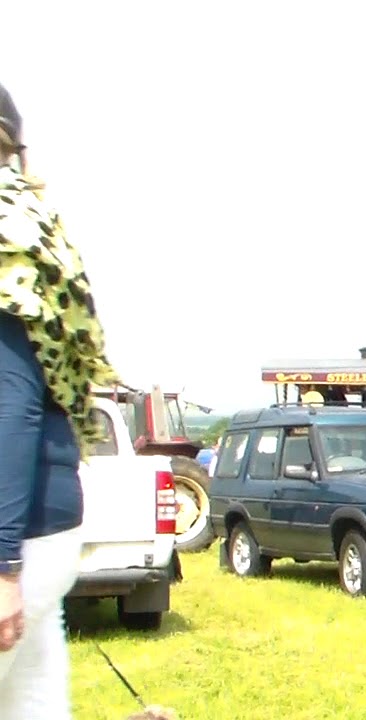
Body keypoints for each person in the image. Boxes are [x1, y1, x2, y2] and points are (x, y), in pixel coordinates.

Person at [0, 81, 119, 718]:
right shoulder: (32, 225)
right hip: (47, 522)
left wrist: (3, 568)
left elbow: (8, 406)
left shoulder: (3, 237)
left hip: (15, 537)